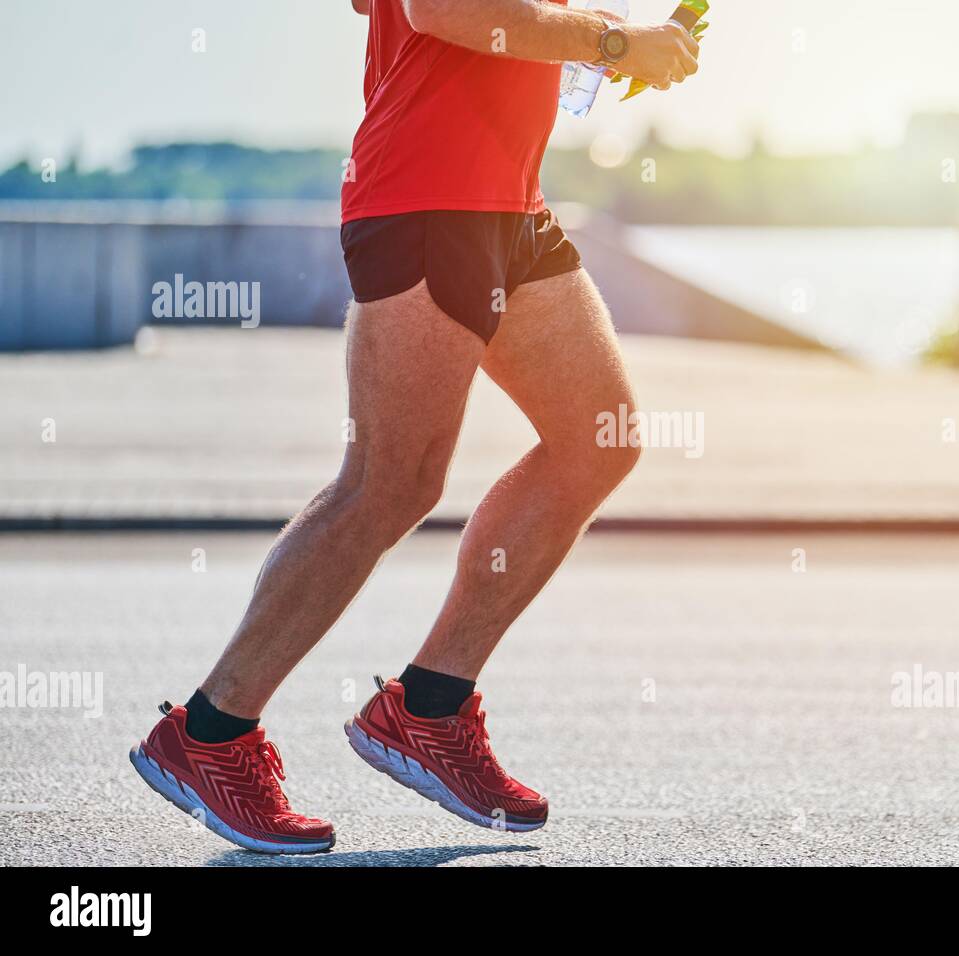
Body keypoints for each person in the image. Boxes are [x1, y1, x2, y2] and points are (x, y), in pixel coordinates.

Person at [129, 0, 700, 853]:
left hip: (512, 202)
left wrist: (603, 39)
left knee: (599, 437)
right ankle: (210, 731)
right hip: (428, 195)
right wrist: (615, 42)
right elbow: (447, 9)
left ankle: (428, 707)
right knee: (388, 485)